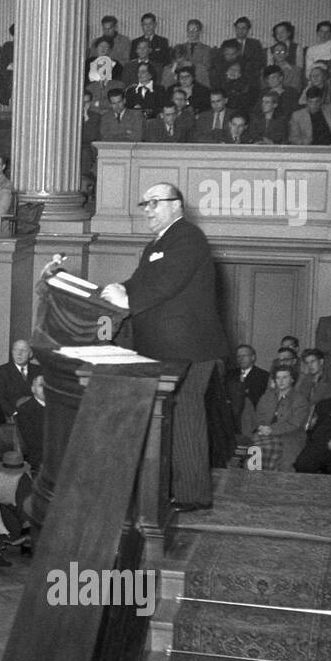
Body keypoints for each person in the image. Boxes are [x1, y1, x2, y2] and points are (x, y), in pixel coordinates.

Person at [100, 185, 229, 513]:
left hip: (188, 348)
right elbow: (143, 280)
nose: (147, 209)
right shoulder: (158, 243)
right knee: (173, 416)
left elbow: (166, 282)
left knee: (185, 414)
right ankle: (176, 491)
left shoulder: (188, 237)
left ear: (177, 206)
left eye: (155, 203)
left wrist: (129, 300)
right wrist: (121, 287)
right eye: (145, 203)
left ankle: (191, 495)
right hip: (167, 347)